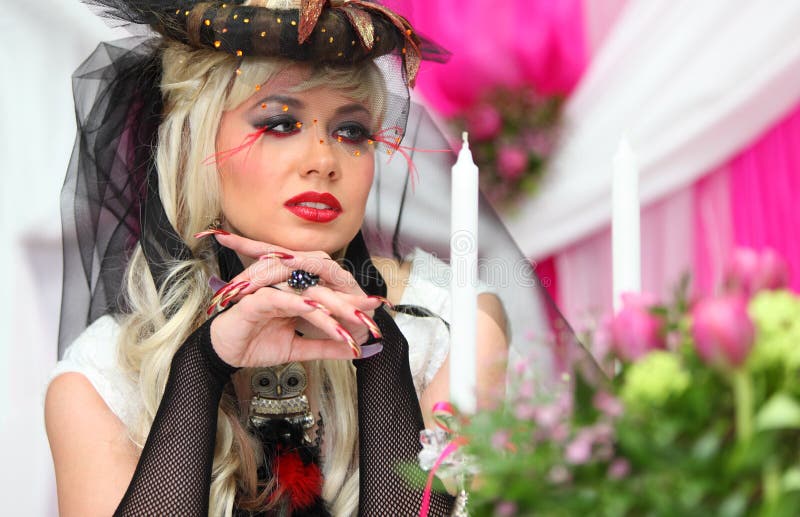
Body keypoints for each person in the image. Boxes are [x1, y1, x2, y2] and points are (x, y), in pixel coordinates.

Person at [45, 1, 570, 515]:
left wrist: (379, 359)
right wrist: (199, 370)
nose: (323, 161)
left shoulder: (455, 328)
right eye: (279, 123)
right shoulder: (105, 378)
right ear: (195, 143)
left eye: (352, 131)